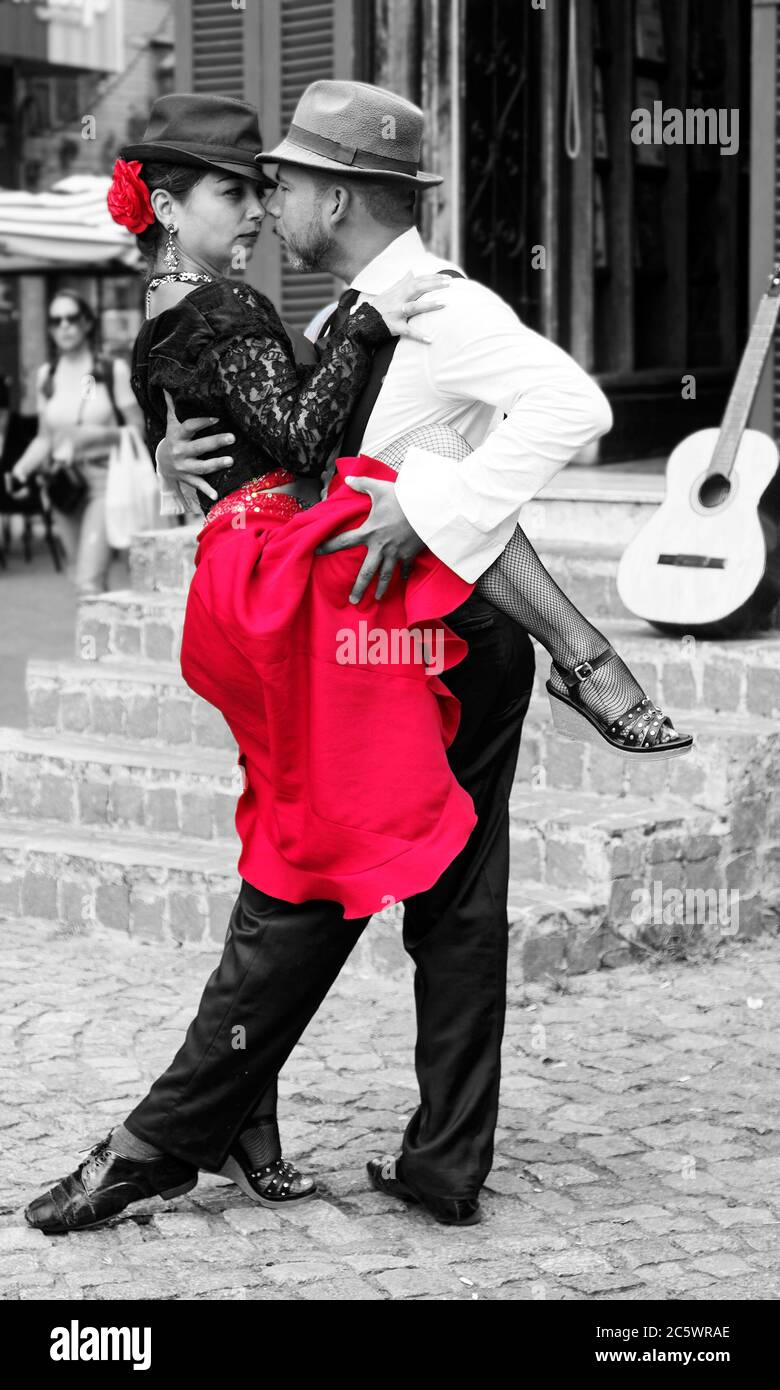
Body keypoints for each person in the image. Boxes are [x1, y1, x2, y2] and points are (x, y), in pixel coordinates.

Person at [24, 87, 688, 1240]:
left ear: (334, 192)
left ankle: (195, 1135)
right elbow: (295, 438)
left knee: (337, 881)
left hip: (426, 628)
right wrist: (180, 449)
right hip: (361, 622)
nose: (267, 200)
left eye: (274, 181)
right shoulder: (331, 309)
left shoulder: (426, 303)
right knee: (375, 882)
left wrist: (432, 513)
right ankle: (372, 1149)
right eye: (247, 183)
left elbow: (563, 406)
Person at [8, 290, 145, 597]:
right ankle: (101, 643)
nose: (64, 326)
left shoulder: (111, 371)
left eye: (72, 318)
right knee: (80, 577)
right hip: (62, 484)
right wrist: (19, 470)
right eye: (56, 321)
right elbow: (45, 437)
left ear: (86, 323)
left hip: (104, 481)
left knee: (88, 580)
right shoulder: (47, 375)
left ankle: (91, 645)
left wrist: (99, 436)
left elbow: (138, 428)